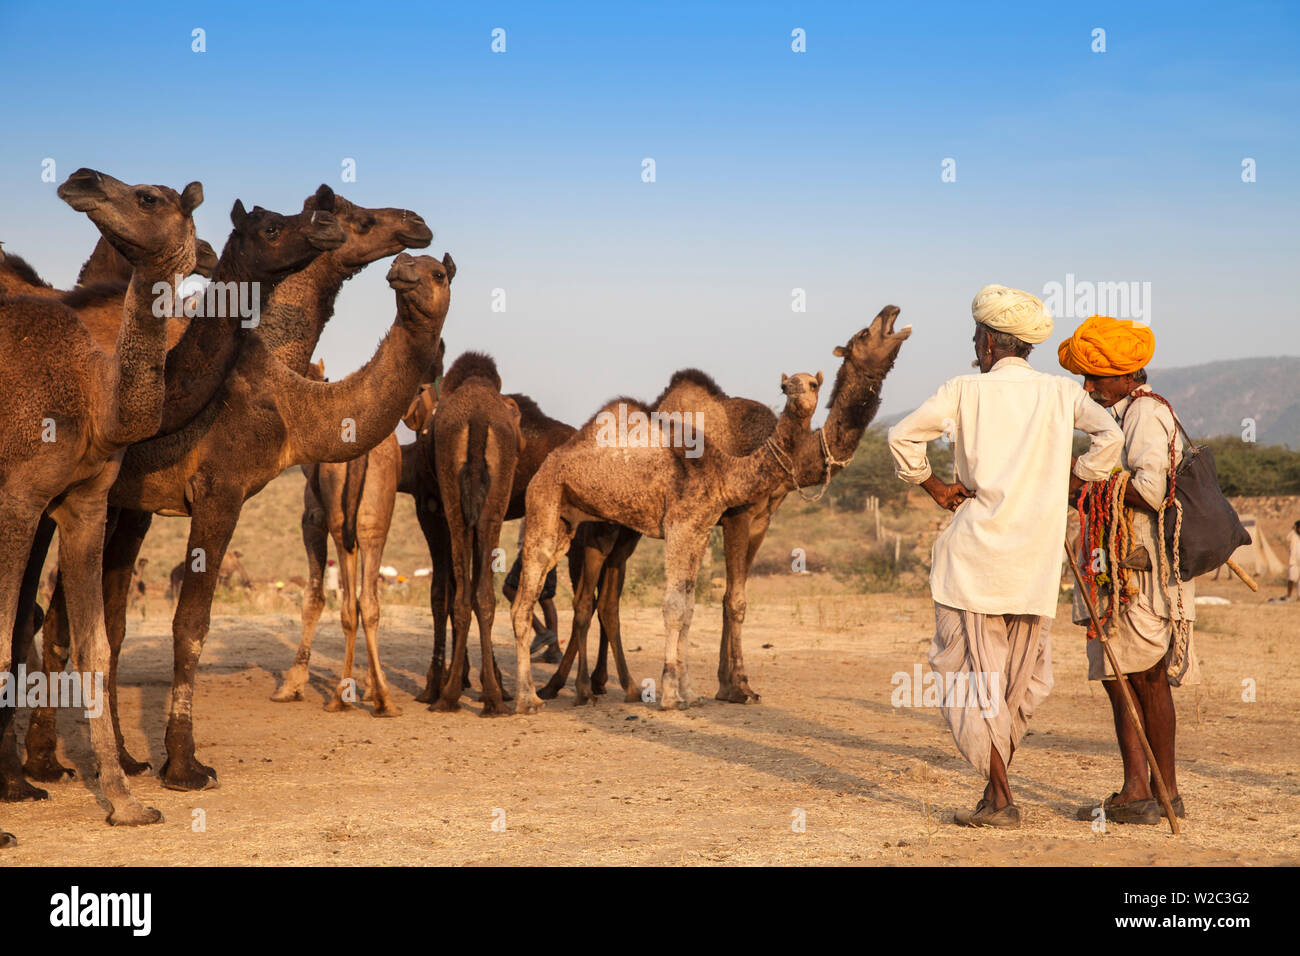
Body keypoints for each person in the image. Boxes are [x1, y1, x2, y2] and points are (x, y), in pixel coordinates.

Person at [889, 285, 1123, 828]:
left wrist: (937, 489)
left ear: (992, 341)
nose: (974, 345)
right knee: (1016, 679)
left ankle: (1000, 799)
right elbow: (1109, 438)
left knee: (973, 676)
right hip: (1035, 561)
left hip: (973, 560)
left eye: (977, 336)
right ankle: (997, 792)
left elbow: (904, 437)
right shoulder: (1062, 395)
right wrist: (1073, 479)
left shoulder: (964, 389)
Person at [1059, 314, 1200, 825]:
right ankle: (1137, 790)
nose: (1087, 385)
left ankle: (1163, 792)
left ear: (1127, 375)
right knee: (1120, 678)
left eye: (1095, 376)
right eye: (1085, 375)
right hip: (1115, 565)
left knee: (1145, 677)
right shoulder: (1122, 415)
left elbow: (1151, 491)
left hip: (1139, 568)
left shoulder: (1142, 415)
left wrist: (1084, 486)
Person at [502, 516, 561, 663]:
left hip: (533, 548)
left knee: (509, 589)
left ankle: (541, 631)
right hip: (549, 549)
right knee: (545, 598)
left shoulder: (537, 495)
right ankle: (553, 650)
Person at [1284, 520, 1300, 602]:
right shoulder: (1293, 535)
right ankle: (1289, 596)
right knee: (1291, 579)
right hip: (1293, 562)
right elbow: (1287, 538)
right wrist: (1293, 529)